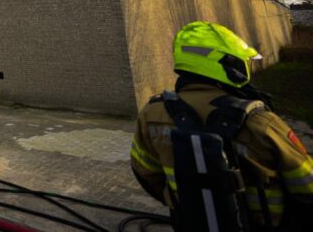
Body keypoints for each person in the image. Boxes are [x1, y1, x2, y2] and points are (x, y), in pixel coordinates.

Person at [131, 21, 313, 230]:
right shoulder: (261, 122)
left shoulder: (152, 115)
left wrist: (181, 203)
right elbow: (307, 185)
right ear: (229, 65)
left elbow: (146, 173)